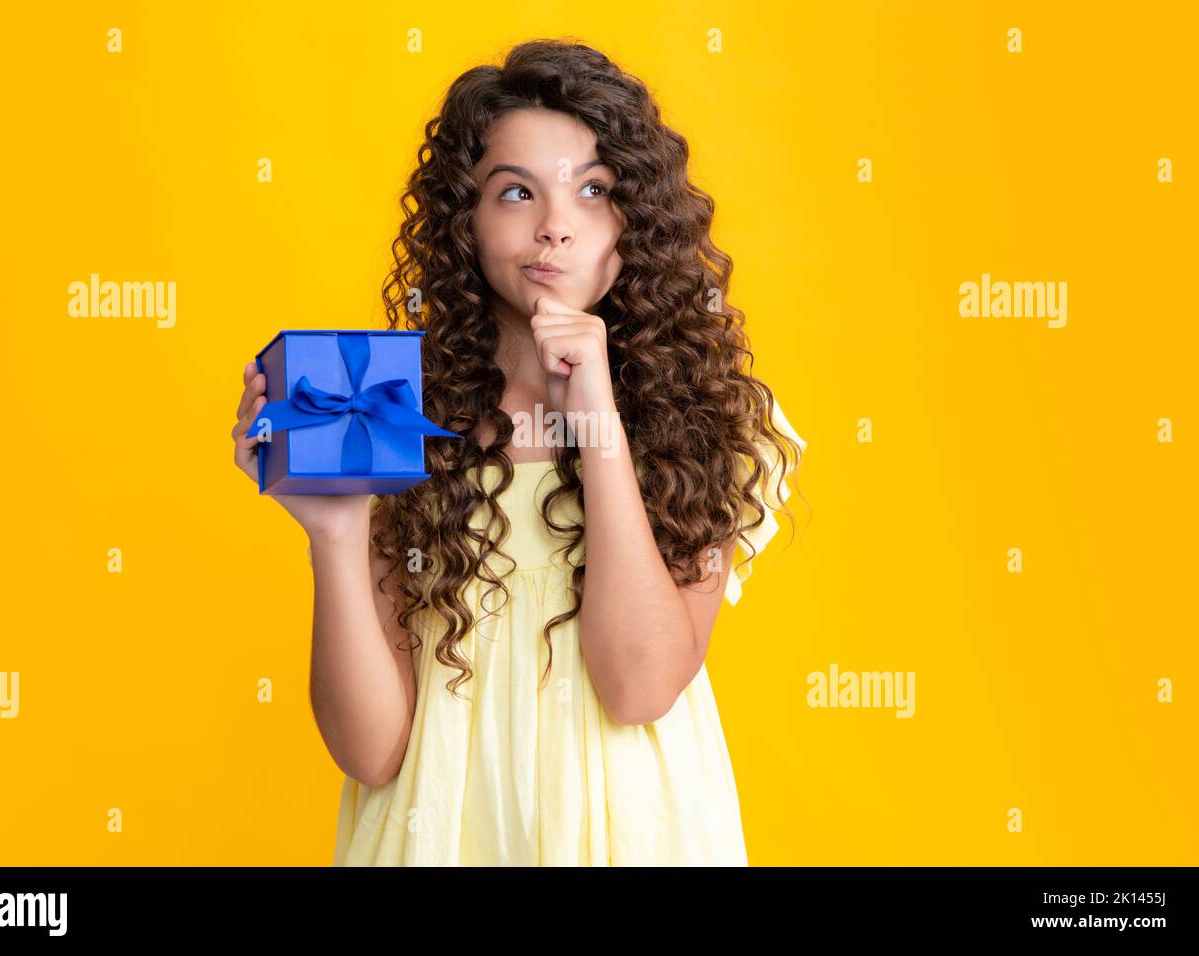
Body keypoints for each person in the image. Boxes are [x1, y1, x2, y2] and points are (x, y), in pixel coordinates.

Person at [231, 39, 806, 865]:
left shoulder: (707, 420)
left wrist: (596, 416)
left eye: (594, 190)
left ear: (636, 217)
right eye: (515, 192)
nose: (554, 228)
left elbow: (638, 685)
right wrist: (334, 532)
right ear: (466, 218)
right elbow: (372, 751)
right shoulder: (392, 411)